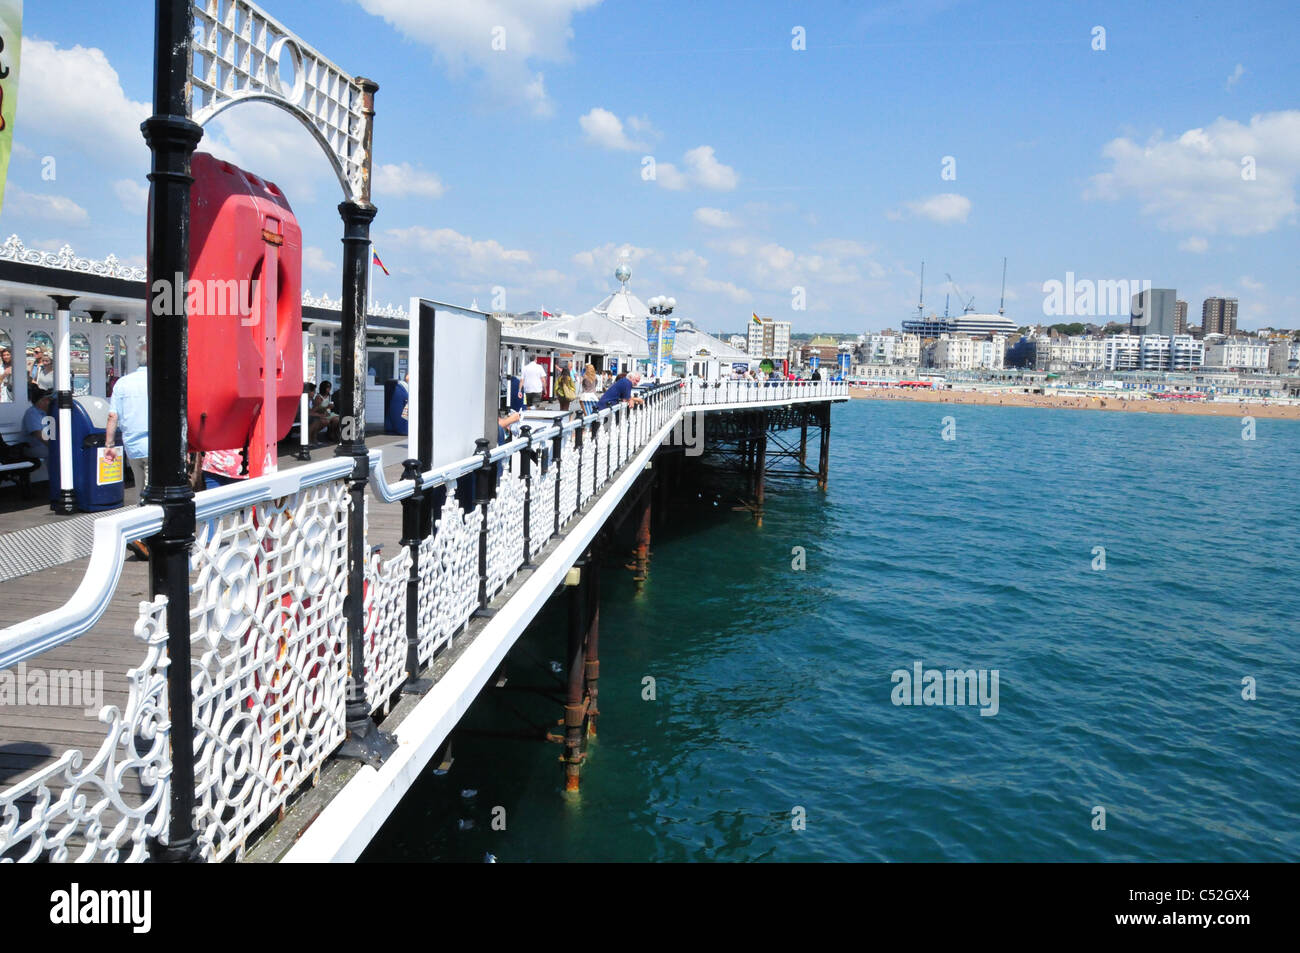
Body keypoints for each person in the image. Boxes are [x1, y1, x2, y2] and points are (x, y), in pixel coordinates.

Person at [105, 357, 150, 557]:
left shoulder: (123, 383)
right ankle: (144, 537)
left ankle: (141, 534)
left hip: (132, 446)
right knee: (152, 492)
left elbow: (113, 416)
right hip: (155, 446)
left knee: (141, 491)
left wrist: (109, 445)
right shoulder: (158, 380)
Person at [21, 393, 52, 462]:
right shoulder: (32, 413)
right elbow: (39, 435)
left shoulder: (48, 413)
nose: (50, 402)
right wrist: (54, 446)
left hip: (43, 447)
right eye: (48, 400)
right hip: (31, 448)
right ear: (40, 401)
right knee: (57, 452)